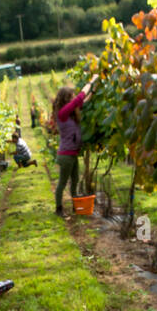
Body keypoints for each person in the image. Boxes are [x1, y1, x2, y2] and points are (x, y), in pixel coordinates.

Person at [52, 74, 98, 215]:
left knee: (75, 180)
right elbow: (79, 98)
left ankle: (75, 206)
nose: (74, 98)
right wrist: (91, 81)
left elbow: (82, 102)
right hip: (66, 155)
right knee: (62, 182)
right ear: (67, 98)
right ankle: (59, 209)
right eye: (71, 96)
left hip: (72, 153)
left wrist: (94, 91)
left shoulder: (70, 113)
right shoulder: (62, 113)